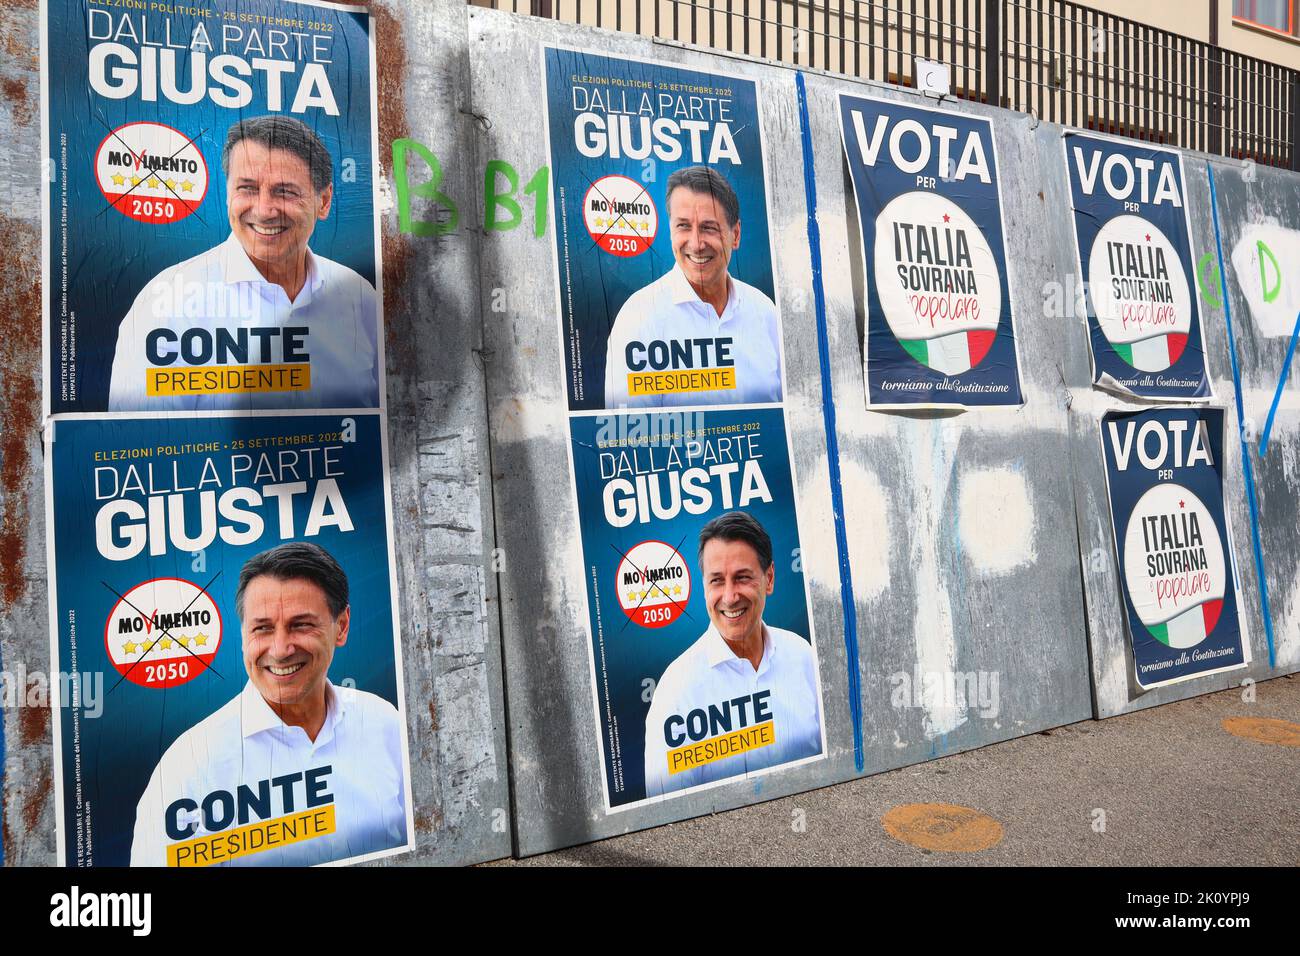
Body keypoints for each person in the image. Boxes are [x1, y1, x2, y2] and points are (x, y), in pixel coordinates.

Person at [130, 543, 408, 867]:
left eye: (301, 624)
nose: (280, 649)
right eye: (262, 628)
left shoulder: (384, 723)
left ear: (342, 626)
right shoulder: (189, 768)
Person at [108, 116, 379, 412]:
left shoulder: (359, 299)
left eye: (285, 191)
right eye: (247, 188)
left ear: (323, 202)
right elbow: (144, 444)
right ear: (227, 193)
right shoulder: (166, 303)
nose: (264, 211)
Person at [643, 512, 822, 799]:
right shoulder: (676, 691)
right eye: (716, 581)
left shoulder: (803, 657)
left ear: (770, 579)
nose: (729, 597)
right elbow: (671, 820)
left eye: (742, 578)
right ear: (704, 587)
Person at [604, 166, 783, 409]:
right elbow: (630, 436)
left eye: (709, 227)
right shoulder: (638, 318)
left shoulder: (765, 311)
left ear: (736, 235)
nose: (696, 243)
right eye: (683, 226)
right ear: (670, 231)